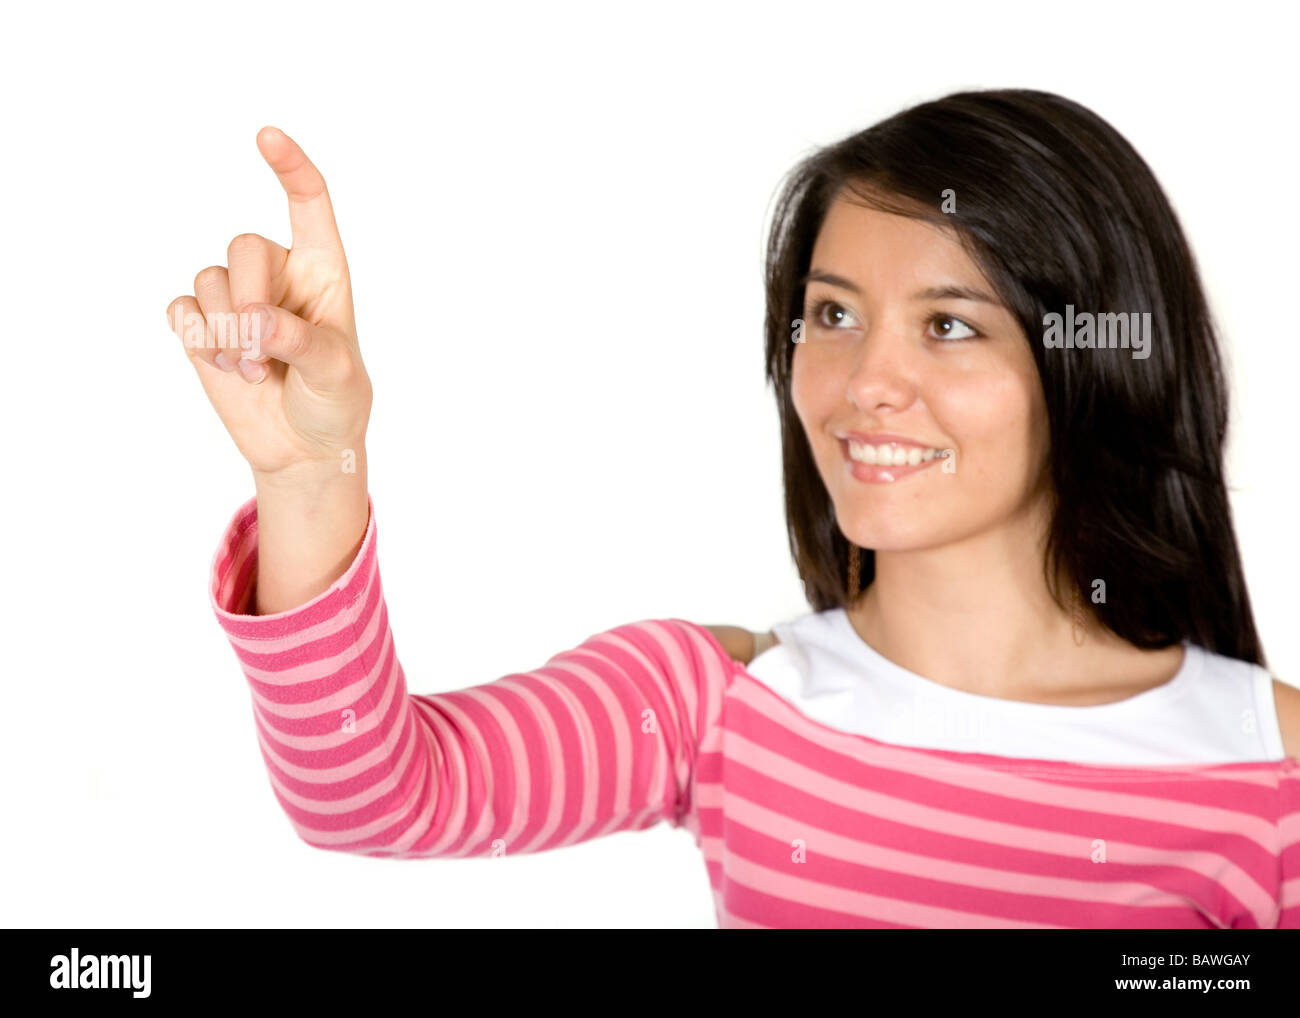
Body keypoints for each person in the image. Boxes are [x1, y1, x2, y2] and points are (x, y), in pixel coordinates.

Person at [167, 91, 1300, 928]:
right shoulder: (716, 705)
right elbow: (372, 796)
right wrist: (312, 473)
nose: (866, 383)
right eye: (833, 314)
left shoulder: (1270, 779)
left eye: (950, 324)